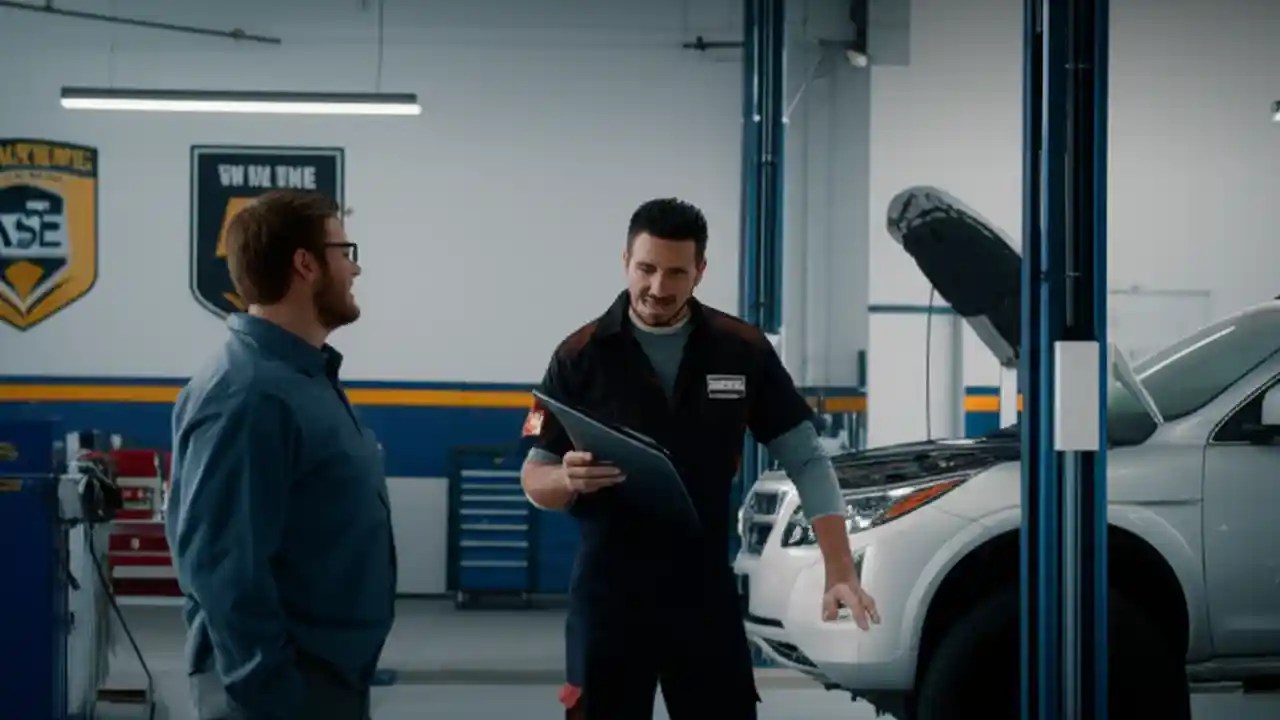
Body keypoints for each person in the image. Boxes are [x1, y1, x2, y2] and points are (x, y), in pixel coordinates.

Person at [520, 197, 880, 719]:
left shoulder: (741, 350)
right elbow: (533, 477)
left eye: (676, 273)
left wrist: (840, 568)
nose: (658, 288)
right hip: (609, 592)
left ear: (700, 272)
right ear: (625, 261)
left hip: (701, 588)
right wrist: (565, 478)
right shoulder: (579, 355)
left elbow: (807, 459)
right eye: (646, 269)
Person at [165, 190, 396, 720]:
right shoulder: (246, 393)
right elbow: (223, 569)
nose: (355, 267)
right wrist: (272, 692)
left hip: (323, 678)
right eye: (344, 251)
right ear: (305, 264)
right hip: (277, 692)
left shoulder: (301, 378)